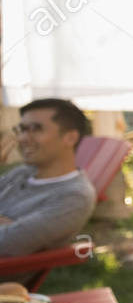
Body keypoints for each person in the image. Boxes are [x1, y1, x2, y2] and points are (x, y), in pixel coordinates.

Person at [0, 99, 97, 258]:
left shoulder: (74, 197)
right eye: (22, 130)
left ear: (70, 138)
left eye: (36, 129)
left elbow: (6, 242)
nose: (23, 138)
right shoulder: (21, 173)